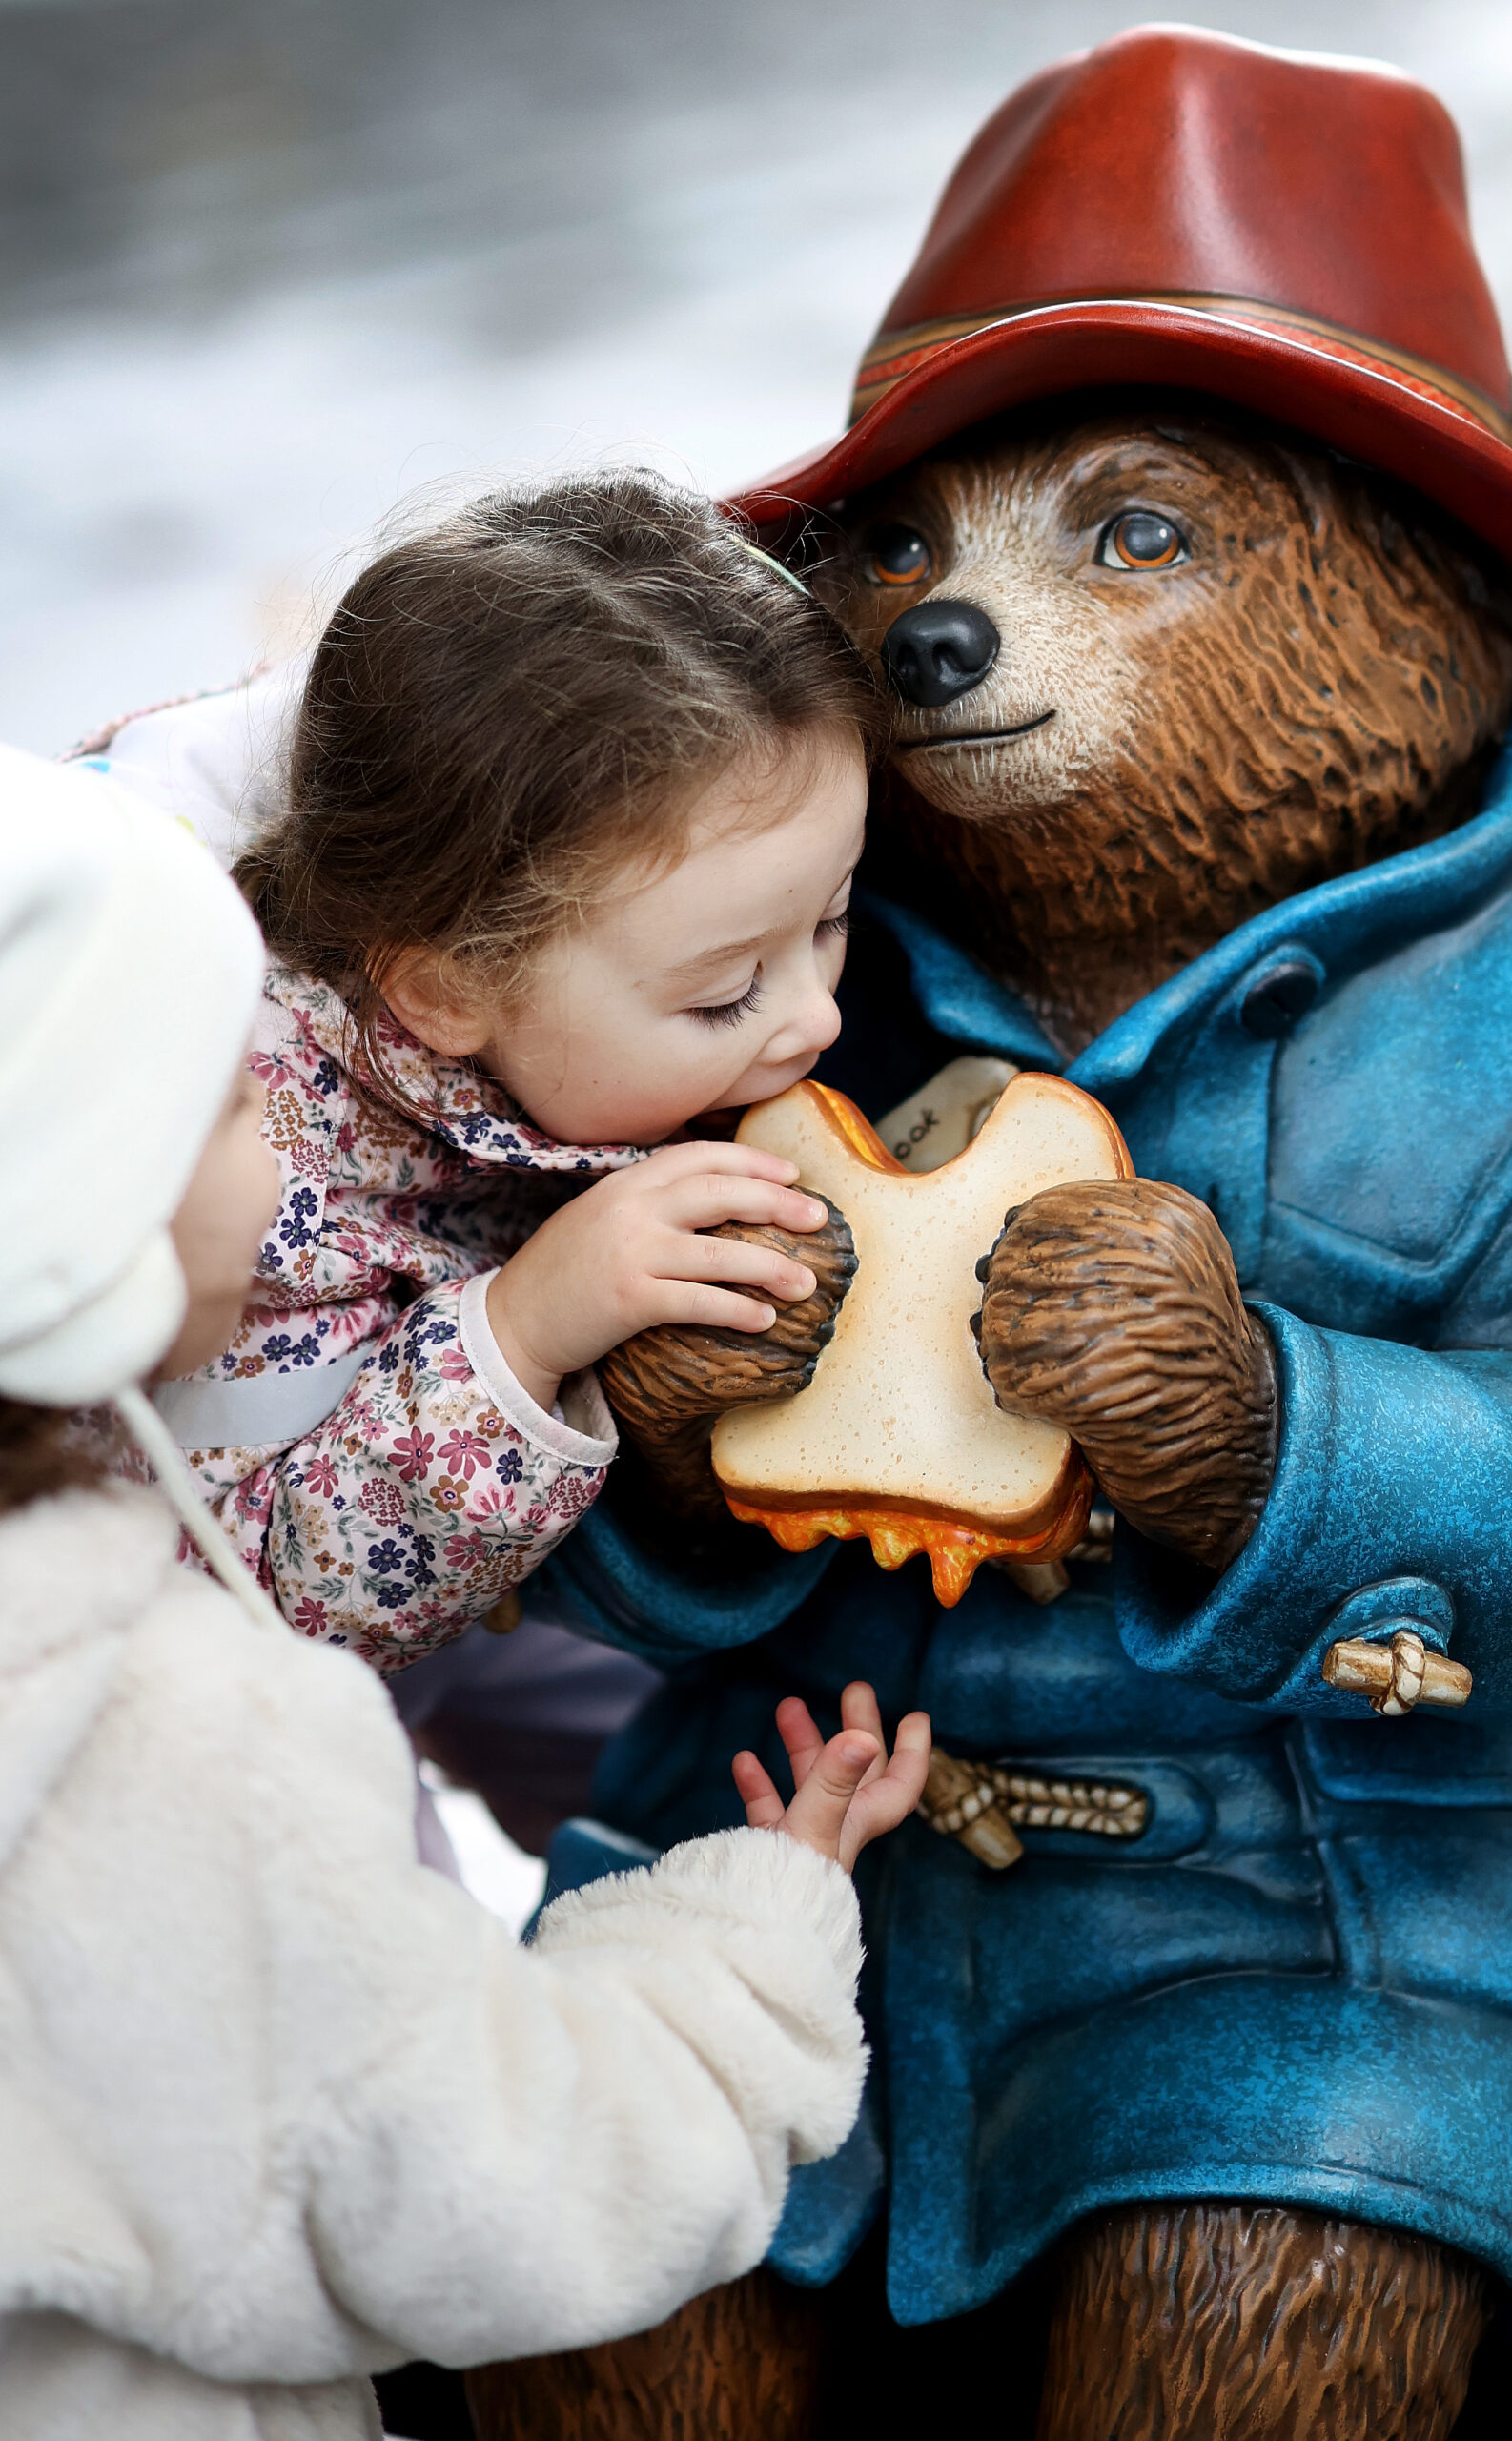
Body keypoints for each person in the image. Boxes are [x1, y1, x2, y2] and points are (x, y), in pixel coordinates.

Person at [0, 747, 930, 2439]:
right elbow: (509, 2190)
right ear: (71, 1232)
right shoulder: (191, 1730)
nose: (286, 1160)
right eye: (228, 1106)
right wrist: (759, 1931)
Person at [111, 472, 885, 1670]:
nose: (814, 1019)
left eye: (834, 916)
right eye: (727, 990)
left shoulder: (588, 878)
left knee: (588, 1711)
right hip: (273, 1606)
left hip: (482, 1504)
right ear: (446, 991)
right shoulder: (231, 1176)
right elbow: (248, 1607)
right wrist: (526, 1325)